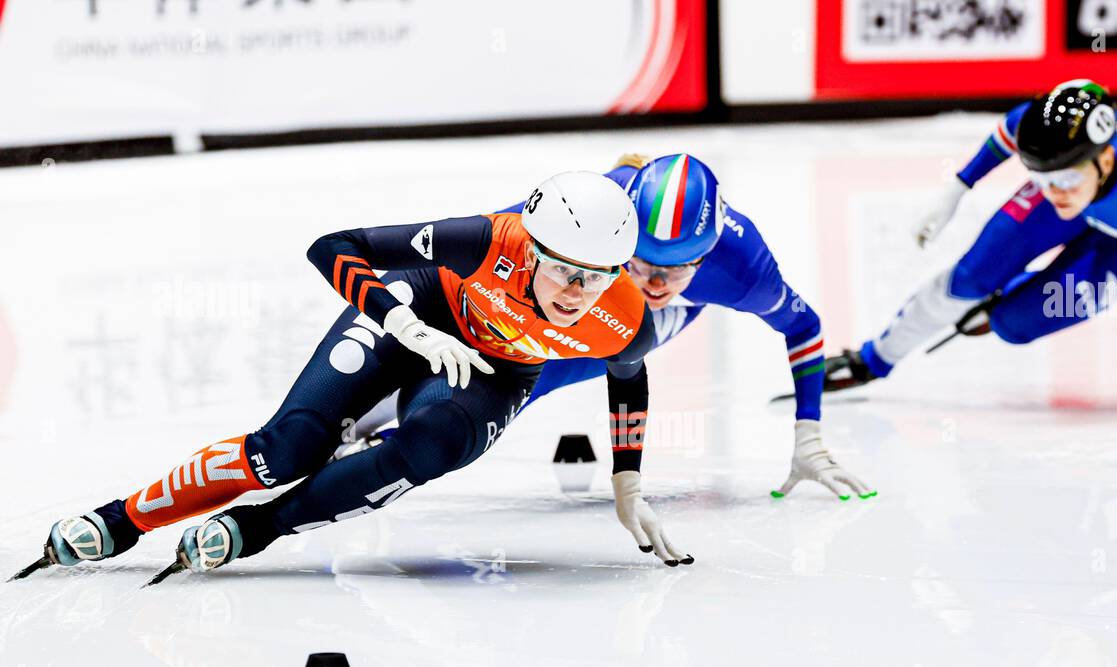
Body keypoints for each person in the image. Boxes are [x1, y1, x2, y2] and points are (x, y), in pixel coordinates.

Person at [16, 171, 692, 582]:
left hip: (492, 369)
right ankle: (122, 520)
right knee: (286, 448)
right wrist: (398, 319)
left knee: (430, 446)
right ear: (532, 247)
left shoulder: (620, 316)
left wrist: (626, 480)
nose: (579, 293)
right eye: (566, 271)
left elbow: (628, 376)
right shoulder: (488, 239)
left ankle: (261, 529)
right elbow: (335, 247)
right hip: (421, 309)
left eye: (600, 277)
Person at [345, 153, 873, 501]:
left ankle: (394, 439)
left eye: (675, 272)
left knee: (541, 363)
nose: (655, 284)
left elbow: (805, 327)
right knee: (492, 314)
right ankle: (363, 413)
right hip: (594, 272)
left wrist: (810, 438)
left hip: (646, 312)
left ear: (707, 257)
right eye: (641, 265)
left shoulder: (743, 270)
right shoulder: (601, 210)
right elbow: (491, 238)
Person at [829, 79, 1117, 413]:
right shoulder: (1055, 154)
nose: (1054, 191)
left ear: (1105, 157)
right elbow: (1011, 132)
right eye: (1041, 178)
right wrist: (956, 189)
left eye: (1065, 178)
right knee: (970, 277)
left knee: (1015, 324)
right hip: (1104, 196)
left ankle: (1003, 308)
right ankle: (871, 361)